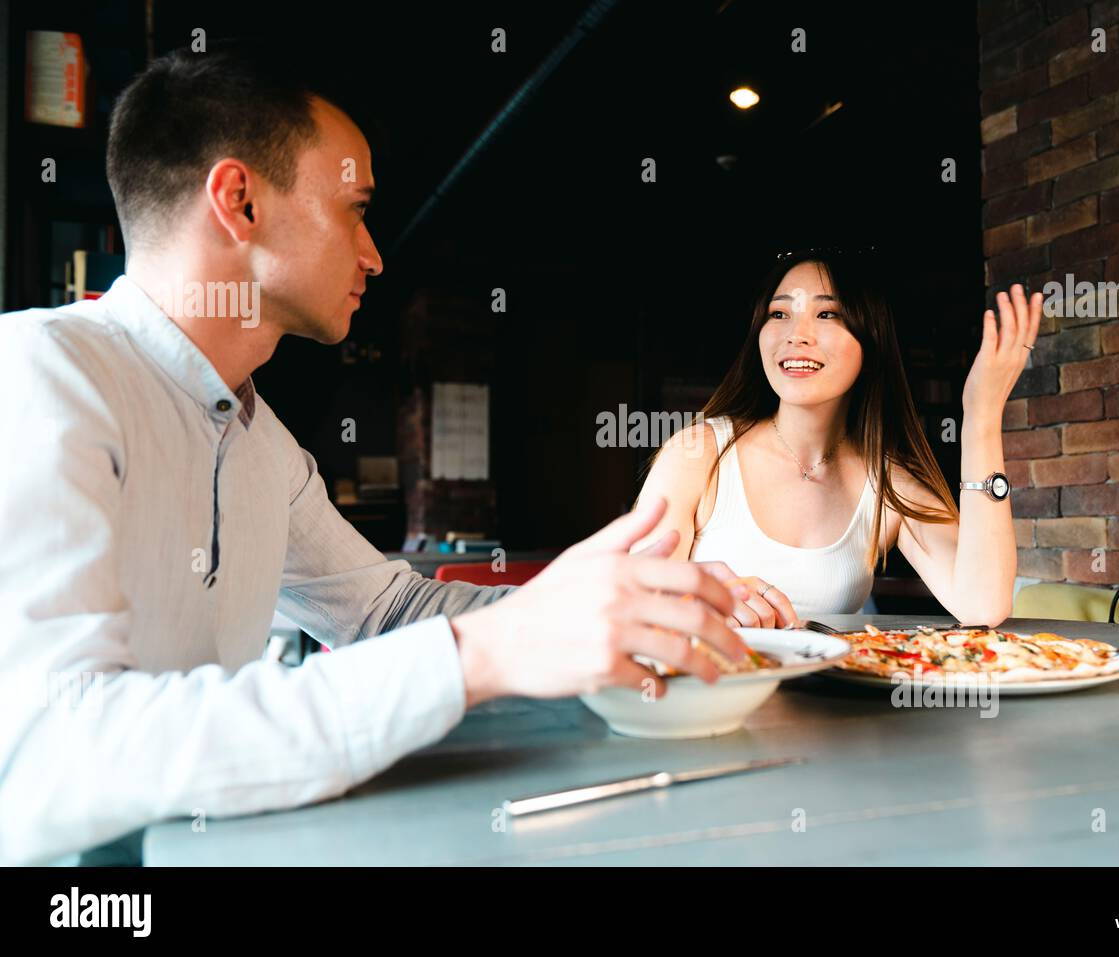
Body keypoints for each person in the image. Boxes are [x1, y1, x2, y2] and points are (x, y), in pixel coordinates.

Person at [0, 43, 763, 865]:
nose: (374, 254)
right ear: (239, 202)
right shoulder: (42, 373)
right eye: (354, 209)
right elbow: (54, 748)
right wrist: (482, 654)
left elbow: (384, 615)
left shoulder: (262, 443)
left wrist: (600, 598)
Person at [634, 248, 1042, 625]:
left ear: (870, 341)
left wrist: (982, 418)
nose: (797, 333)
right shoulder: (699, 455)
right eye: (779, 314)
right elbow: (633, 595)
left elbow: (983, 605)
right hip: (707, 697)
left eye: (827, 314)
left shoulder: (885, 484)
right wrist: (701, 593)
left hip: (825, 704)